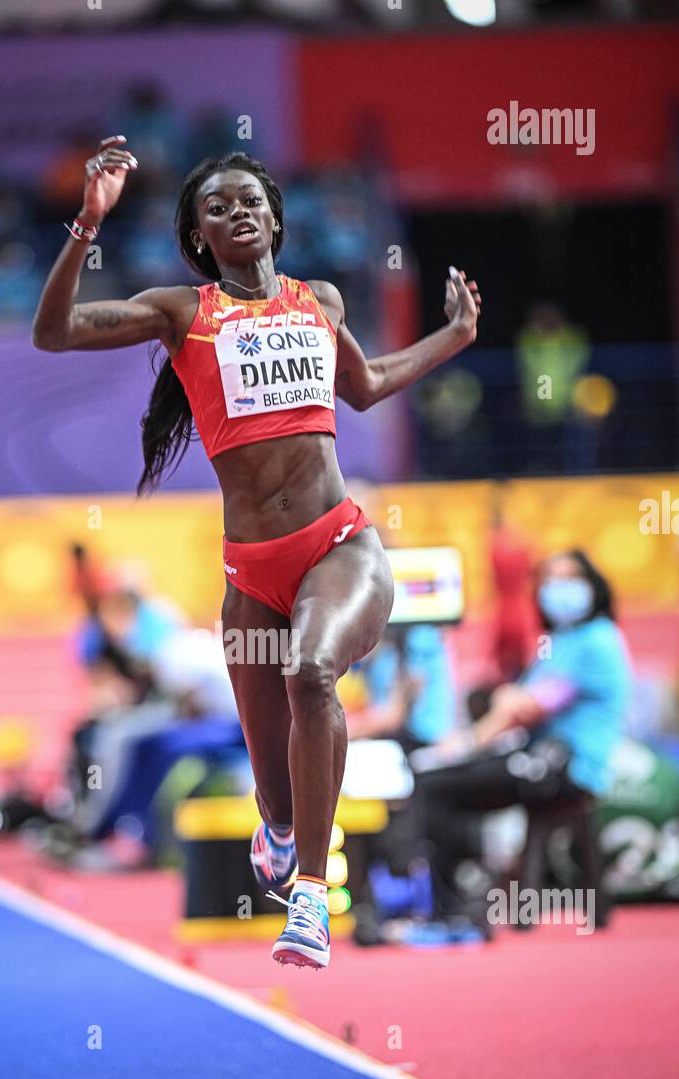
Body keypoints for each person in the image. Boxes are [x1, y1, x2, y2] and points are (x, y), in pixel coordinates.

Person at [33, 136, 482, 969]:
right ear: (200, 237)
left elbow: (368, 385)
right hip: (252, 574)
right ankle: (279, 829)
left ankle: (310, 898)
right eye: (217, 206)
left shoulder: (322, 301)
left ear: (275, 217)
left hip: (340, 542)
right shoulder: (181, 311)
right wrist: (87, 224)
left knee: (311, 672)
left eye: (250, 200)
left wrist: (454, 337)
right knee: (269, 777)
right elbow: (53, 333)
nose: (237, 211)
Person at [406, 549, 632, 935]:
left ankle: (456, 903)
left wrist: (463, 746)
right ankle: (465, 892)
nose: (558, 590)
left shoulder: (595, 640)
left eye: (569, 579)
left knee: (435, 785)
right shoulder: (562, 641)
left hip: (564, 768)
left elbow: (523, 708)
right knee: (446, 778)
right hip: (540, 757)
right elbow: (513, 702)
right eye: (550, 580)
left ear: (592, 586)